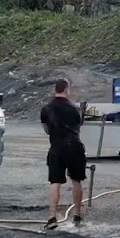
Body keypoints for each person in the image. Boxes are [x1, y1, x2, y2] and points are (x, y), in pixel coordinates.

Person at [39, 78, 86, 230]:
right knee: (77, 181)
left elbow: (46, 130)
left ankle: (52, 217)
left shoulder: (46, 109)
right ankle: (78, 215)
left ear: (55, 90)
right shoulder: (74, 108)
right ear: (67, 90)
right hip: (74, 147)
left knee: (55, 182)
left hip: (56, 147)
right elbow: (78, 126)